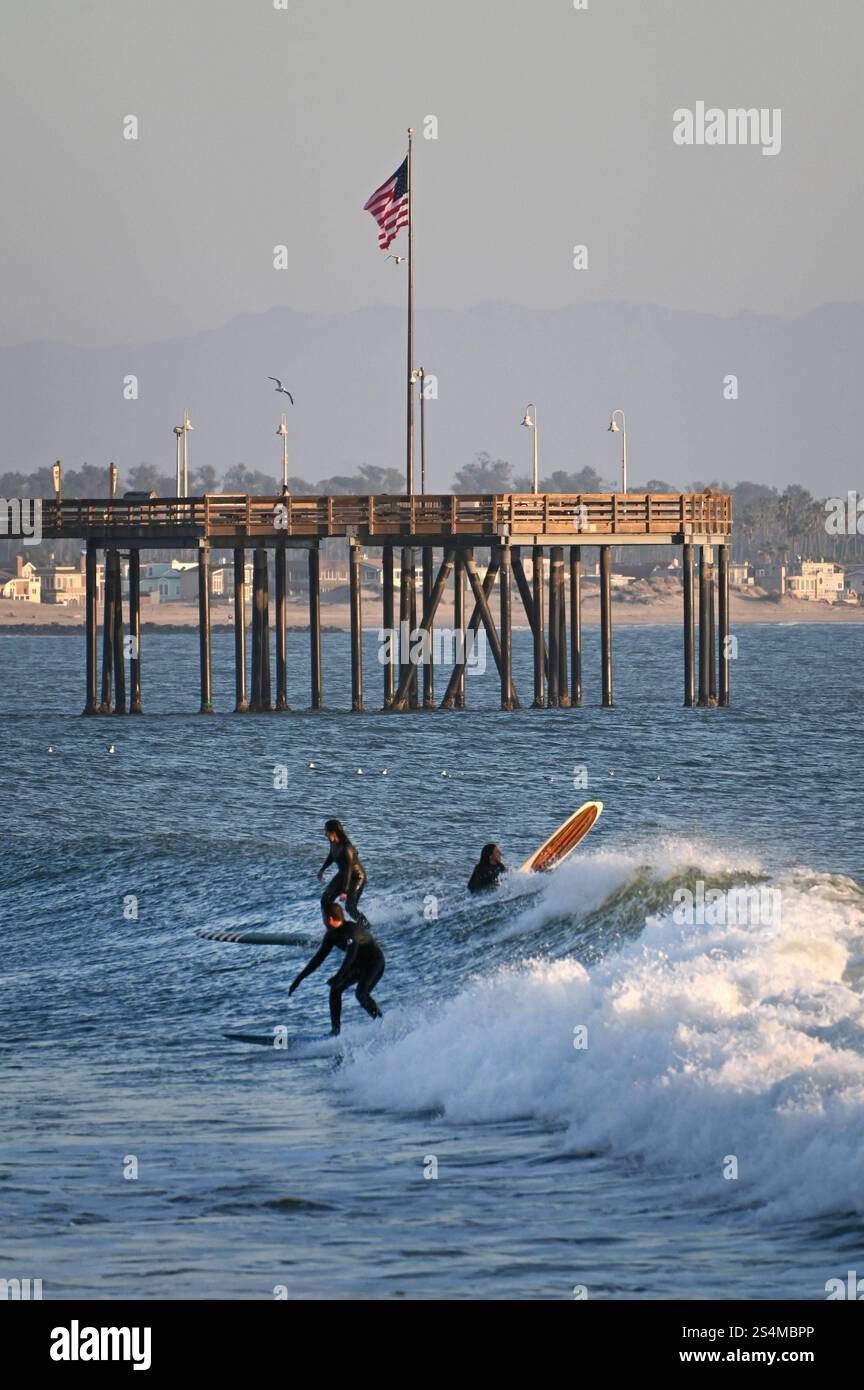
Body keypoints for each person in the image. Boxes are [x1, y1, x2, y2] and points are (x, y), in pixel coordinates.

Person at [288, 904, 384, 1036]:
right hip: (359, 965)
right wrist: (299, 979)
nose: (323, 920)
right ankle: (335, 1031)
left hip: (374, 963)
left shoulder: (352, 931)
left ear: (330, 919)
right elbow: (318, 959)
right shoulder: (331, 935)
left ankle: (381, 1024)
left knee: (361, 994)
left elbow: (350, 956)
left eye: (323, 917)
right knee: (335, 989)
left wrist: (339, 976)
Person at [317, 818, 367, 924]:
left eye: (326, 831)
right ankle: (331, 927)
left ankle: (367, 927)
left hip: (356, 878)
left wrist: (344, 891)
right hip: (343, 875)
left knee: (350, 908)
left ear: (333, 832)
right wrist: (322, 870)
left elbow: (348, 870)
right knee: (325, 900)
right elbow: (332, 855)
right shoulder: (334, 843)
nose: (325, 834)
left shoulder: (346, 848)